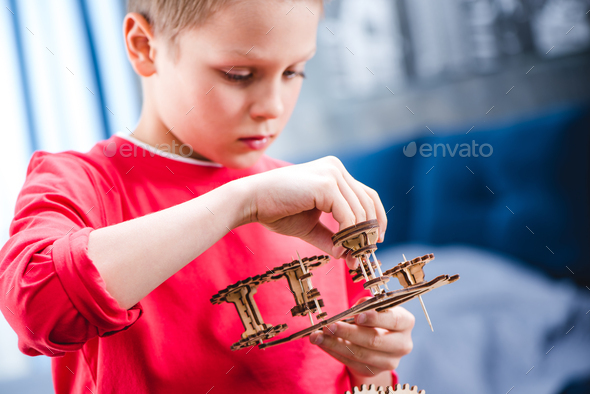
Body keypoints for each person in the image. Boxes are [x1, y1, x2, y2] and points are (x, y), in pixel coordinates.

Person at [0, 0, 415, 392]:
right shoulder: (81, 180)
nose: (272, 106)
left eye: (294, 71)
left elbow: (352, 377)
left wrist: (371, 366)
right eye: (238, 74)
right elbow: (37, 306)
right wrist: (239, 201)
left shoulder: (316, 199)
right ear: (145, 47)